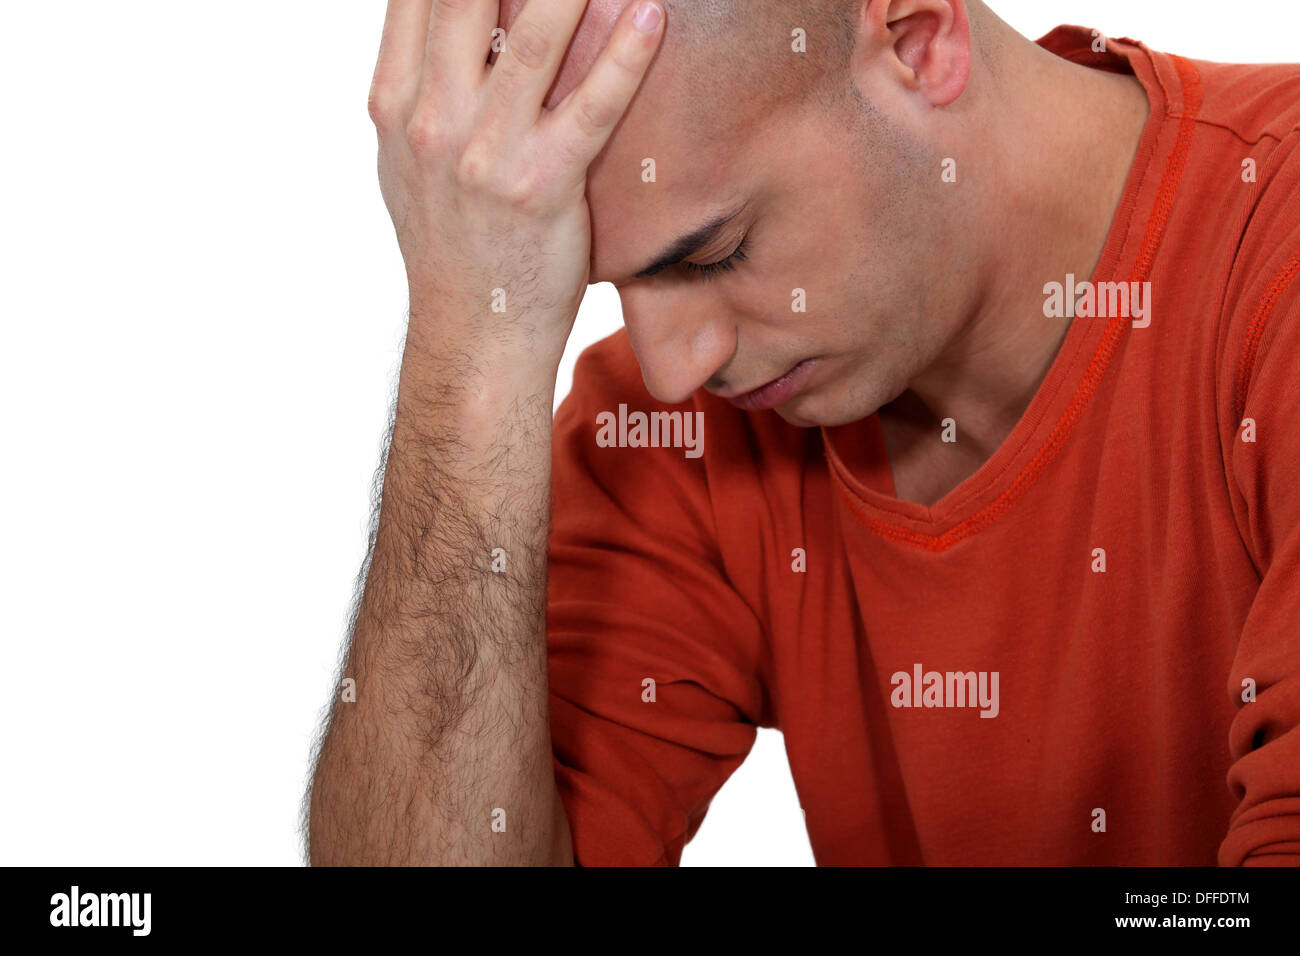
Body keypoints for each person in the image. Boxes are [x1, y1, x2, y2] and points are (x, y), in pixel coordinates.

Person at [306, 0, 1300, 865]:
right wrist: (471, 332)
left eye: (717, 253)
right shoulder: (673, 437)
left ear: (917, 45)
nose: (671, 367)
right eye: (607, 283)